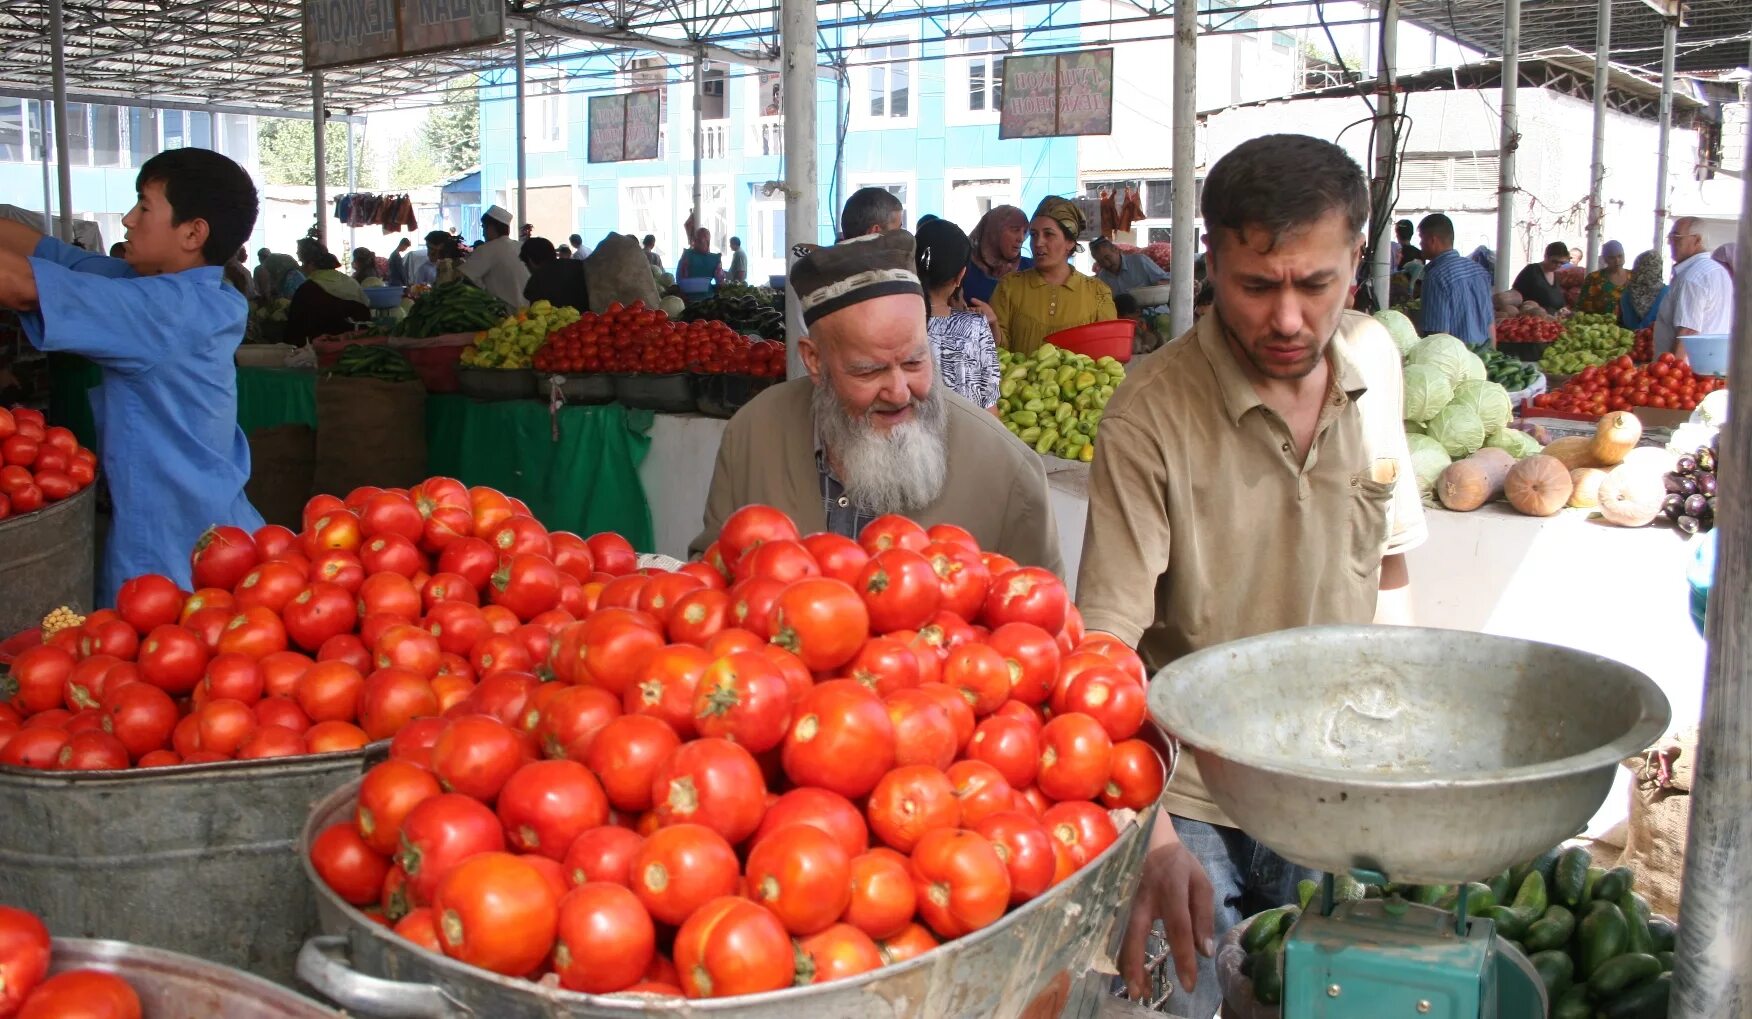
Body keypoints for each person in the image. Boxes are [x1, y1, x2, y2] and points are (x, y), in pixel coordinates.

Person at [1077, 134, 1424, 1019]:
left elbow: (1389, 577)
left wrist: (1396, 769)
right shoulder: (1149, 416)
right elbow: (1104, 652)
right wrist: (1149, 840)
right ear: (1212, 262)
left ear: (1357, 261)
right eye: (1256, 285)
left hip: (1330, 786)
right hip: (1195, 799)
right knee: (1188, 1002)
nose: (1288, 319)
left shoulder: (1374, 374)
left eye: (1317, 284)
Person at [691, 229, 1062, 571]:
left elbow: (1046, 627)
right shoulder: (751, 436)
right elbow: (711, 580)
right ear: (814, 361)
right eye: (869, 371)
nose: (899, 391)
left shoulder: (1008, 472)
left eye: (916, 361)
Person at [0, 147, 264, 601]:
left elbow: (24, 288)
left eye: (144, 206)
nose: (127, 219)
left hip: (175, 556)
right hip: (220, 527)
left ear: (193, 233)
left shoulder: (164, 311)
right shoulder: (177, 292)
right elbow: (47, 252)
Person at [989, 197, 1117, 355]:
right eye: (1034, 235)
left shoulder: (1098, 293)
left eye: (1048, 234)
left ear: (1070, 242)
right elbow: (998, 352)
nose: (1038, 243)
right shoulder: (1009, 287)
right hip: (1019, 380)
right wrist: (992, 325)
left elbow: (1108, 354)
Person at [915, 217, 1000, 409]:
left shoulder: (894, 323)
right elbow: (989, 407)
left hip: (909, 438)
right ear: (961, 275)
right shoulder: (975, 327)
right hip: (964, 438)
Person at [1656, 217, 1734, 359]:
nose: (1669, 242)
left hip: (1690, 371)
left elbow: (1688, 332)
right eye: (1670, 237)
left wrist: (1672, 372)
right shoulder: (1719, 271)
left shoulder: (1692, 278)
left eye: (1676, 237)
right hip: (1713, 364)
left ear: (1697, 240)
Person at [1417, 213, 1495, 347]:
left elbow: (1438, 336)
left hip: (1456, 363)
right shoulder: (1479, 270)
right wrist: (1493, 356)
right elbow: (1490, 324)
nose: (1420, 244)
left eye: (1421, 239)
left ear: (1432, 240)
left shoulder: (1436, 276)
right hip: (1485, 358)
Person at [285, 239, 369, 344]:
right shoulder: (350, 282)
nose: (302, 268)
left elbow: (294, 332)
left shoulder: (307, 290)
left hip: (322, 348)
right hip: (357, 345)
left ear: (310, 264)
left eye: (302, 263)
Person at [461, 206, 531, 310]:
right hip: (531, 311)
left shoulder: (486, 249)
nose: (483, 232)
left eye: (483, 227)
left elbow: (464, 275)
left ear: (492, 227)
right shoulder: (520, 246)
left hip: (505, 314)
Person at [961, 205, 1031, 305]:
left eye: (1025, 232)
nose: (1021, 238)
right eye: (1015, 230)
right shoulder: (963, 269)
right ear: (994, 231)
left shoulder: (1030, 269)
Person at [521, 237, 589, 310]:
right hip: (594, 319)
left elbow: (535, 314)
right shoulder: (580, 266)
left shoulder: (537, 279)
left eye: (526, 264)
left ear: (530, 261)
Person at [1090, 237, 1169, 300]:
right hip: (1124, 317)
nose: (1106, 264)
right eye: (1100, 261)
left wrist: (1157, 287)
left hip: (1153, 312)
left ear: (1116, 250)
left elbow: (1166, 281)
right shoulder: (1102, 277)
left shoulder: (1140, 261)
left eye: (1107, 258)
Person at [1513, 242, 1570, 313]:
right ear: (1546, 256)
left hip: (1553, 319)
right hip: (1533, 318)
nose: (1558, 265)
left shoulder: (1556, 274)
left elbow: (1557, 298)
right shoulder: (1532, 270)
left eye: (1562, 263)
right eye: (1554, 261)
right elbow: (1516, 294)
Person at [1577, 240, 1630, 316]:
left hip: (1631, 326)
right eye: (1612, 258)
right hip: (1600, 326)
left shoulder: (1634, 277)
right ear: (1605, 259)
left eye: (1620, 256)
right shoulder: (1594, 278)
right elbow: (1581, 306)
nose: (1617, 261)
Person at [1619, 251, 1667, 331]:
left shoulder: (1627, 294)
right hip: (1661, 340)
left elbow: (1627, 322)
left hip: (1631, 340)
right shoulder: (1668, 293)